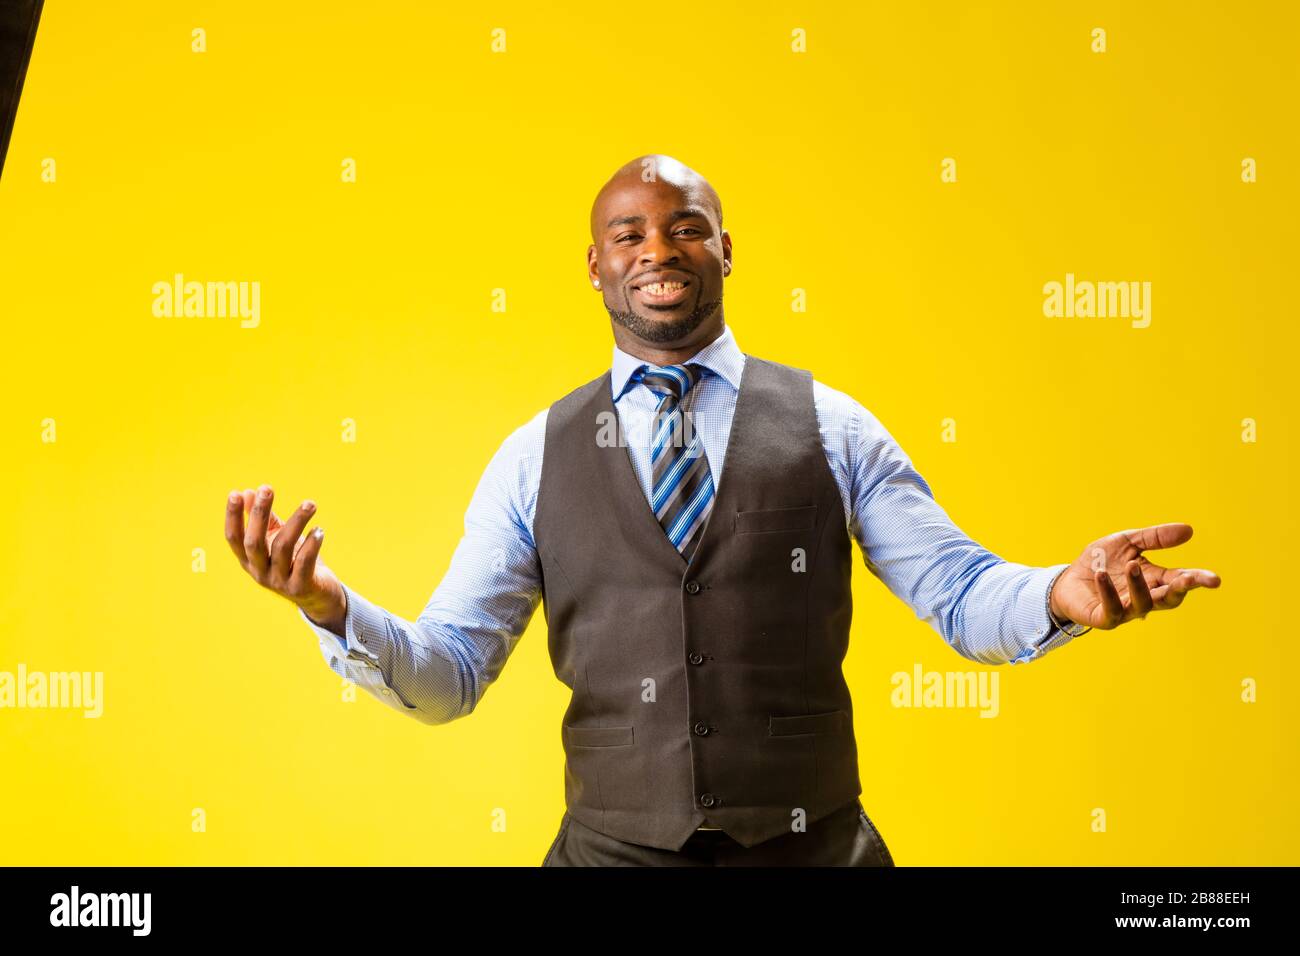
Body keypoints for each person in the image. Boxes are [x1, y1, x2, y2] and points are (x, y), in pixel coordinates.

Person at [223, 154, 1222, 866]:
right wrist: (331, 607)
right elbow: (448, 673)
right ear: (595, 264)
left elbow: (961, 593)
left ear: (726, 248)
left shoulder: (830, 424)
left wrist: (1060, 590)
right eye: (629, 233)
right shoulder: (533, 456)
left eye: (685, 226)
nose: (658, 248)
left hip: (816, 850)